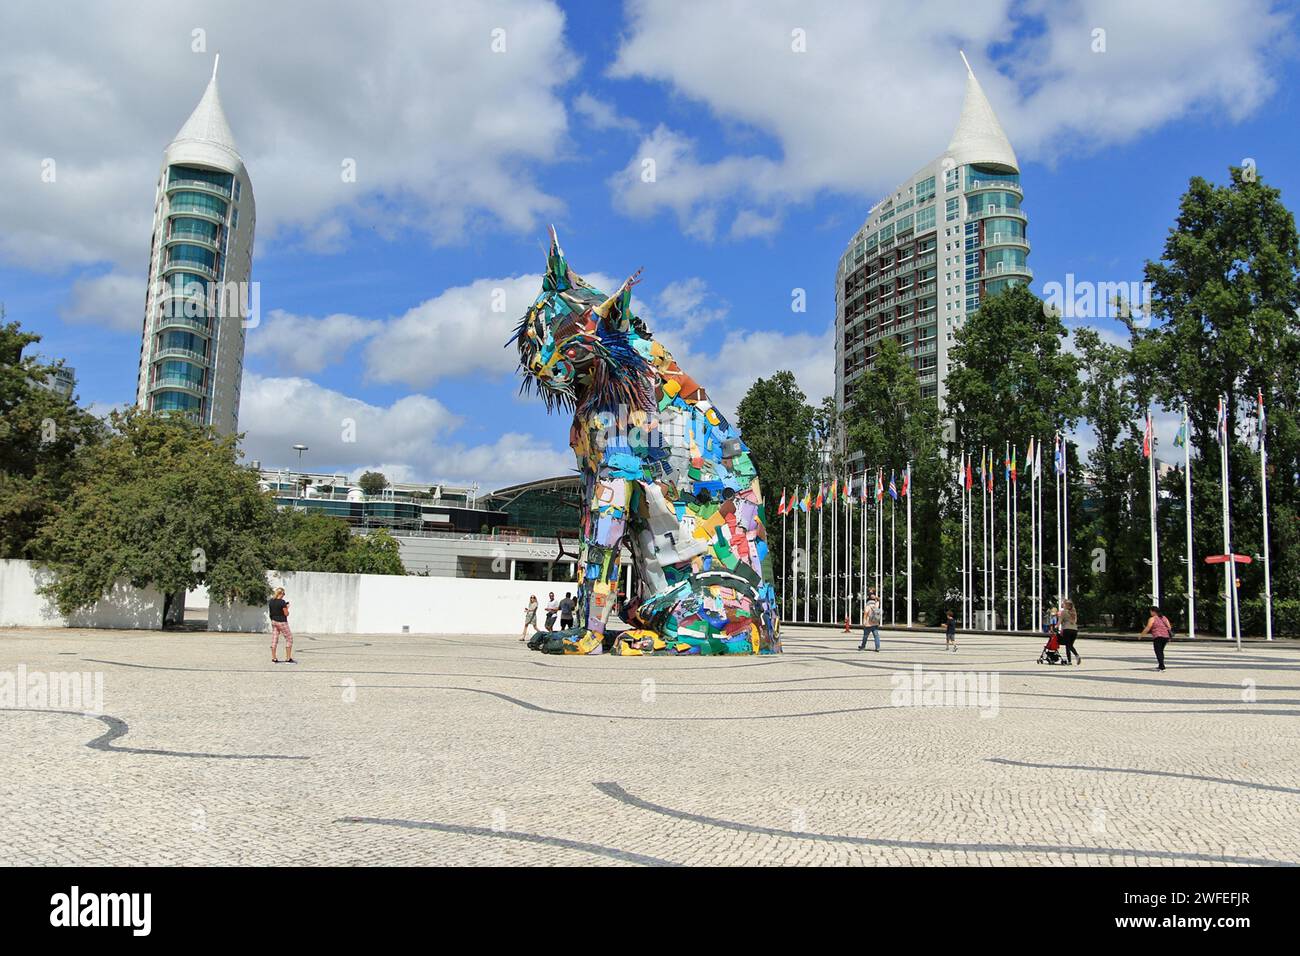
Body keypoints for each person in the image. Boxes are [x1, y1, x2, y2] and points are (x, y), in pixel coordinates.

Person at [1139, 605, 1174, 671]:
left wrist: (1141, 635)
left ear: (1153, 612)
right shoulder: (1164, 618)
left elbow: (1148, 627)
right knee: (1161, 651)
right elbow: (1169, 627)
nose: (1150, 613)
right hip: (1165, 636)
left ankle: (1162, 666)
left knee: (1158, 651)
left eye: (1151, 612)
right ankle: (1161, 665)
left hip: (1158, 636)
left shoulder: (1152, 619)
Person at [268, 587, 295, 664]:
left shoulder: (271, 601)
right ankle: (288, 658)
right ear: (280, 593)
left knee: (274, 639)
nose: (284, 595)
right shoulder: (282, 602)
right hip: (282, 622)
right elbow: (286, 613)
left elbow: (272, 612)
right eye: (283, 594)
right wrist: (287, 607)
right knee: (289, 638)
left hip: (274, 621)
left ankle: (274, 658)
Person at [1059, 598, 1081, 665]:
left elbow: (1059, 621)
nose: (1062, 604)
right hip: (1075, 630)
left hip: (1067, 630)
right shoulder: (1074, 612)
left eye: (1063, 603)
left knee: (1068, 645)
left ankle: (1075, 656)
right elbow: (1075, 621)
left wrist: (1055, 627)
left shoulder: (1063, 612)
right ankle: (1070, 660)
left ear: (1066, 605)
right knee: (1069, 645)